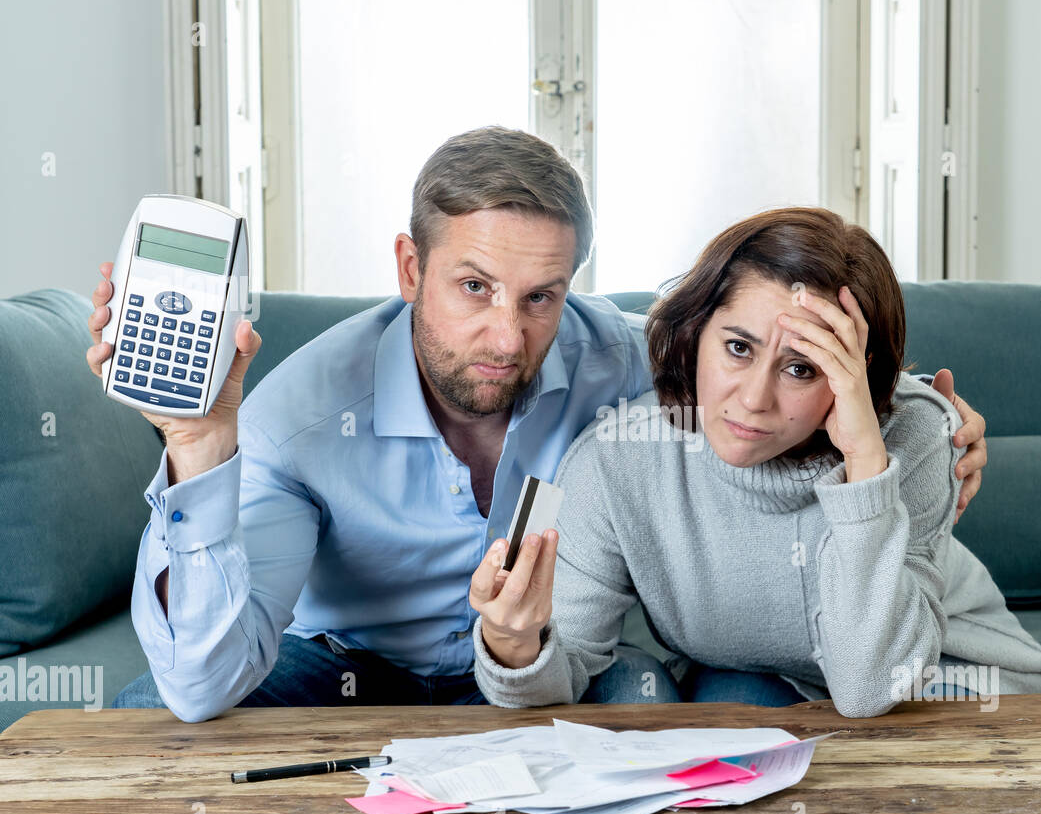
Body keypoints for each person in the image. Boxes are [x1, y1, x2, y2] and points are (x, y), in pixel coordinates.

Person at [88, 126, 990, 722]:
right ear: (410, 267)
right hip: (350, 665)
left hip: (555, 668)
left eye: (540, 297)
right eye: (473, 287)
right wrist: (200, 443)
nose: (507, 336)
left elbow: (763, 365)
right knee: (146, 718)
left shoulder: (622, 357)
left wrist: (923, 414)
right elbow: (205, 681)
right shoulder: (299, 419)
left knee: (666, 713)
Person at [468, 207, 1041, 716]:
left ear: (853, 379)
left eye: (802, 368)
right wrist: (511, 641)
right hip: (780, 687)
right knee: (702, 690)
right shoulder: (621, 456)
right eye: (737, 348)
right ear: (696, 332)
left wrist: (864, 457)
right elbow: (557, 678)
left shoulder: (909, 436)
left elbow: (869, 688)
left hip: (949, 694)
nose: (754, 401)